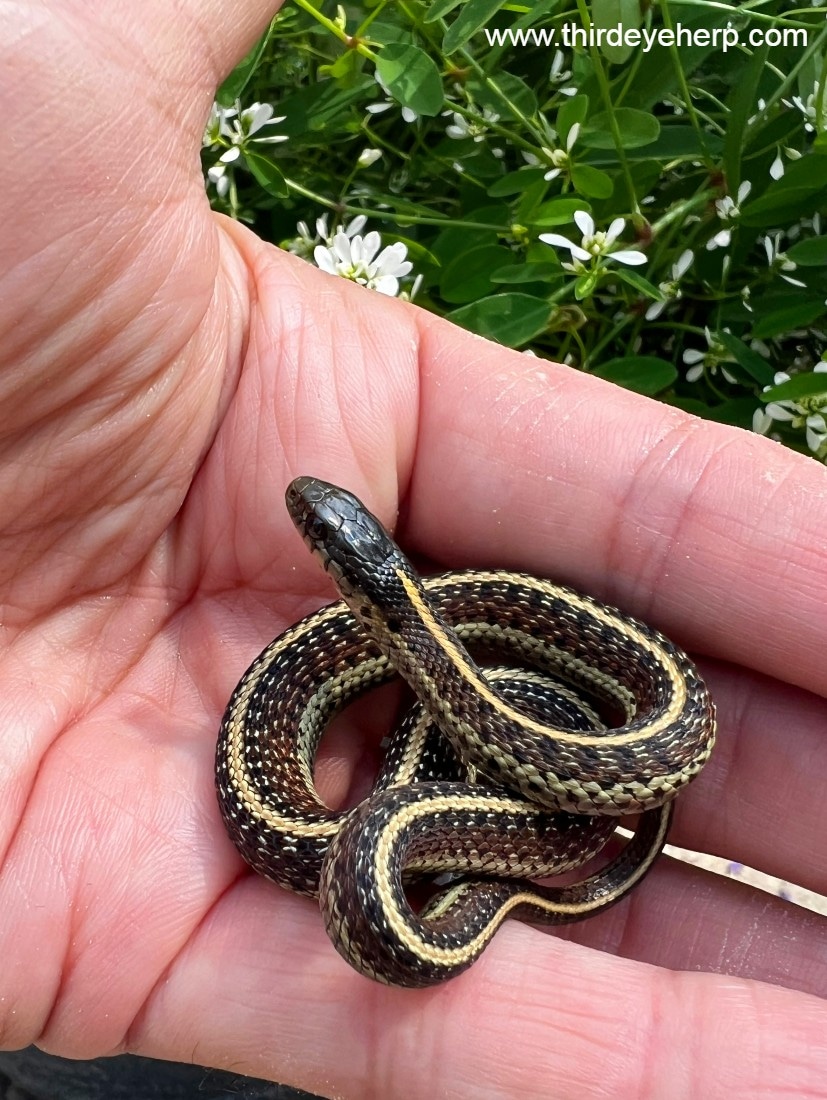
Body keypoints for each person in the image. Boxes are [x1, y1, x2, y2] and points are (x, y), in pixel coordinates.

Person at [2, 3, 825, 1098]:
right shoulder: (385, 655)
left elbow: (513, 718)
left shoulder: (440, 639)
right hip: (417, 763)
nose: (310, 525)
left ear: (357, 563)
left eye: (321, 536)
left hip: (515, 732)